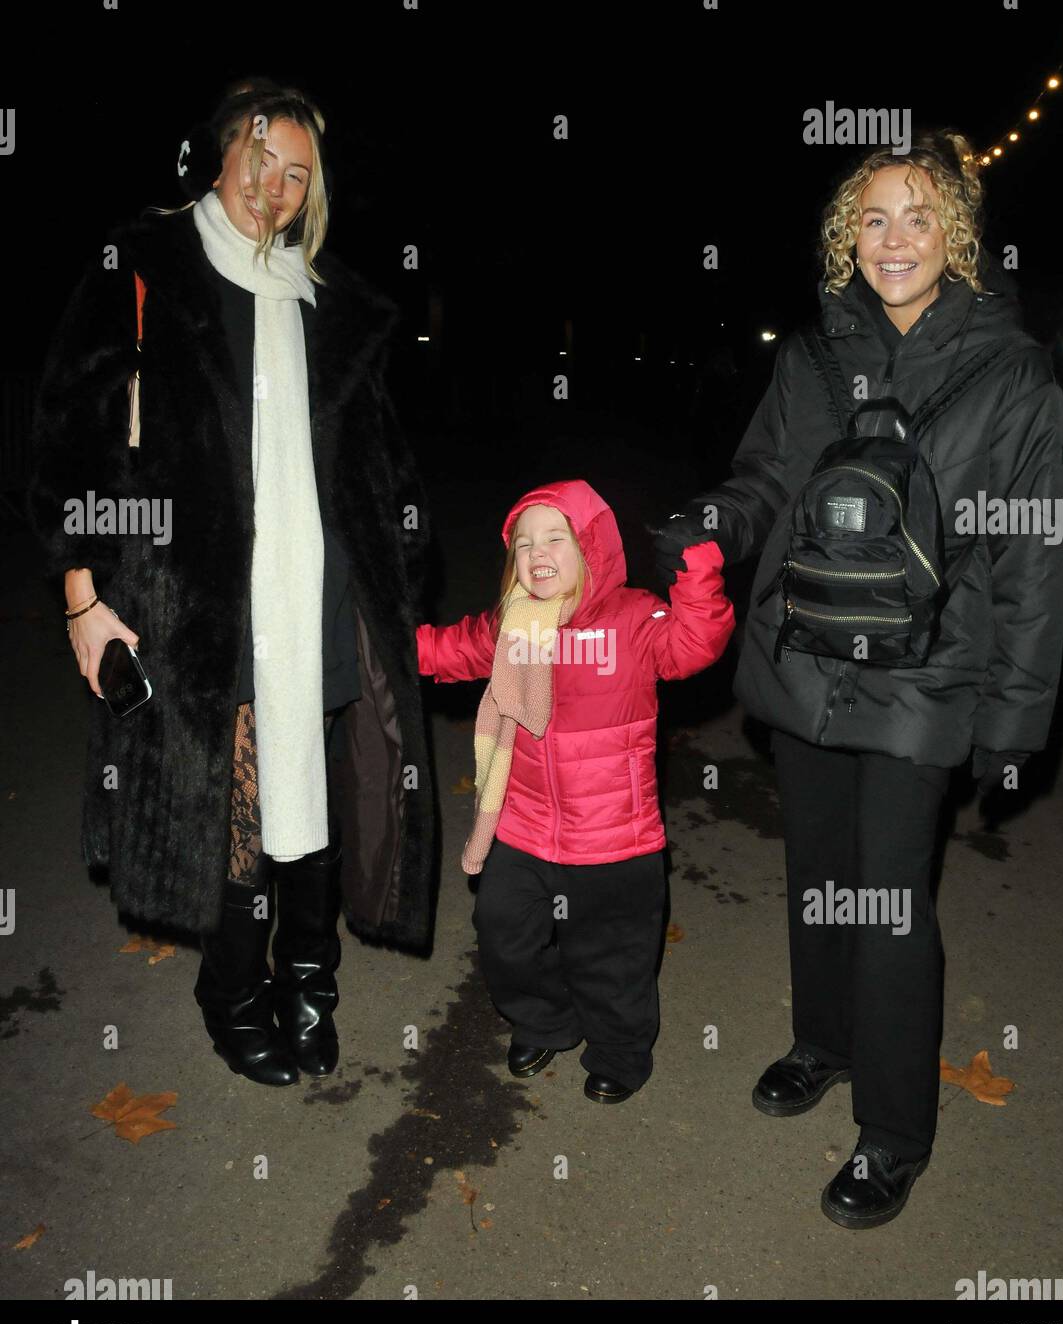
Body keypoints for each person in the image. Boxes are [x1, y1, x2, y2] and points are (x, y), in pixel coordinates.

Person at [651, 130, 1063, 1224]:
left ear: (958, 237)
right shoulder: (808, 352)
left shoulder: (1012, 374)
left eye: (918, 217)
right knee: (819, 878)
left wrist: (1013, 715)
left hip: (928, 678)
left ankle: (891, 1132)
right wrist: (712, 521)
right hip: (803, 662)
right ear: (847, 235)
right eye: (872, 219)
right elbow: (766, 480)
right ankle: (821, 1042)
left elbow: (1035, 558)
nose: (894, 240)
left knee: (888, 905)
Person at [27, 78, 436, 1087]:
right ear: (221, 157)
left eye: (300, 173)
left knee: (318, 789)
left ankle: (312, 977)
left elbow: (381, 461)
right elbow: (68, 441)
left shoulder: (327, 297)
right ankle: (234, 988)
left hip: (324, 593)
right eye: (264, 162)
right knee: (240, 798)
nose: (280, 187)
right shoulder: (148, 266)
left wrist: (407, 585)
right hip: (206, 600)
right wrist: (83, 597)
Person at [417, 480, 734, 1101]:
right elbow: (446, 650)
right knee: (502, 930)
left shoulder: (635, 618)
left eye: (556, 538)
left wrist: (696, 564)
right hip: (524, 827)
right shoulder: (511, 624)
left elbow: (696, 644)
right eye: (524, 542)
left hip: (616, 841)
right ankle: (545, 1020)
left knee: (612, 961)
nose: (538, 551)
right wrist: (371, 636)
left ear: (592, 548)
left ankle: (619, 1051)